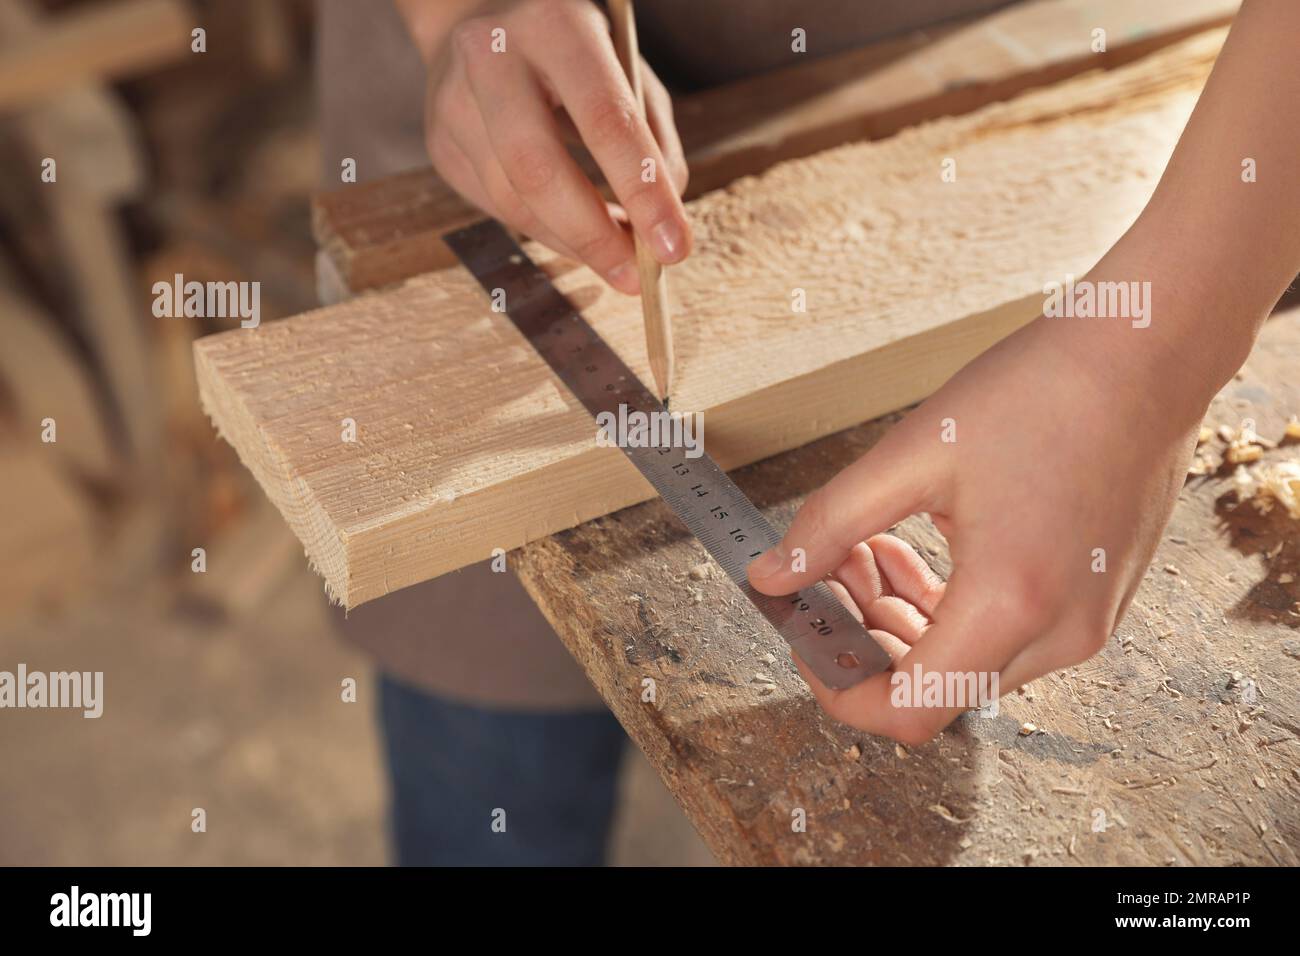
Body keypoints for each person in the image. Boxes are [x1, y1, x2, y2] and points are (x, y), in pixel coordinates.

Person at [318, 0, 1296, 863]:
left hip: (993, 92)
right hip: (504, 115)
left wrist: (1142, 360)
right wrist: (457, 16)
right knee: (493, 782)